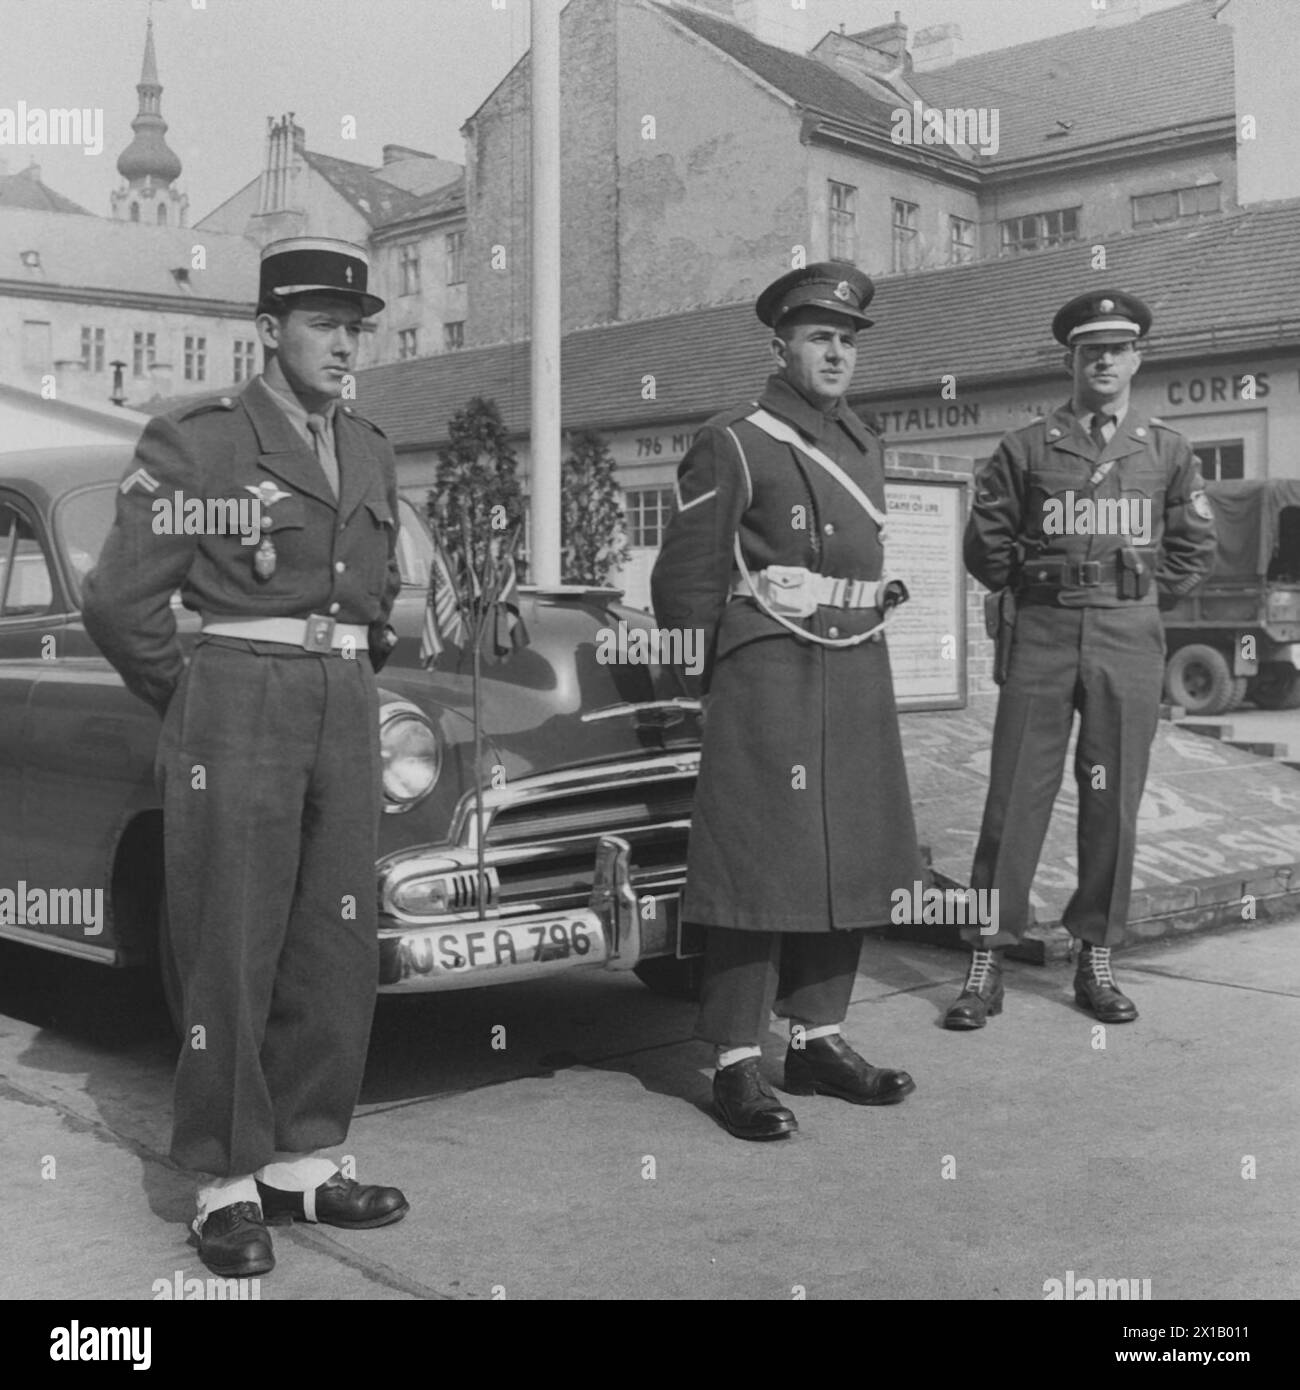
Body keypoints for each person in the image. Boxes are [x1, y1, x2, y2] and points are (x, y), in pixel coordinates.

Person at [82, 237, 408, 1276]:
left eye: (356, 327)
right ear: (268, 331)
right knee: (230, 936)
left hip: (342, 704)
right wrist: (199, 701)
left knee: (332, 937)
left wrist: (352, 674)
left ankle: (306, 1159)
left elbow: (372, 597)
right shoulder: (204, 444)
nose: (344, 344)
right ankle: (225, 1180)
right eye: (324, 323)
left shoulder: (371, 446)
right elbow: (119, 599)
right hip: (239, 705)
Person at [652, 262, 921, 1142]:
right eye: (818, 337)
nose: (836, 352)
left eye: (847, 339)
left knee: (846, 854)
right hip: (766, 673)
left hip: (853, 668)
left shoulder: (863, 442)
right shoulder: (734, 439)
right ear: (781, 345)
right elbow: (686, 584)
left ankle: (817, 1038)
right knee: (759, 866)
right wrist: (709, 693)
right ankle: (733, 1058)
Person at [947, 289, 1216, 1031]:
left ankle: (1097, 951)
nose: (1103, 361)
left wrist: (1139, 592)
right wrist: (1032, 588)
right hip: (1041, 631)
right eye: (1089, 350)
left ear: (1137, 358)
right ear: (1071, 360)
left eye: (1116, 349)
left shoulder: (1166, 449)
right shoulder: (1027, 447)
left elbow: (1195, 547)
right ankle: (987, 954)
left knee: (1114, 797)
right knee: (1012, 797)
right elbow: (986, 544)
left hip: (1127, 634)